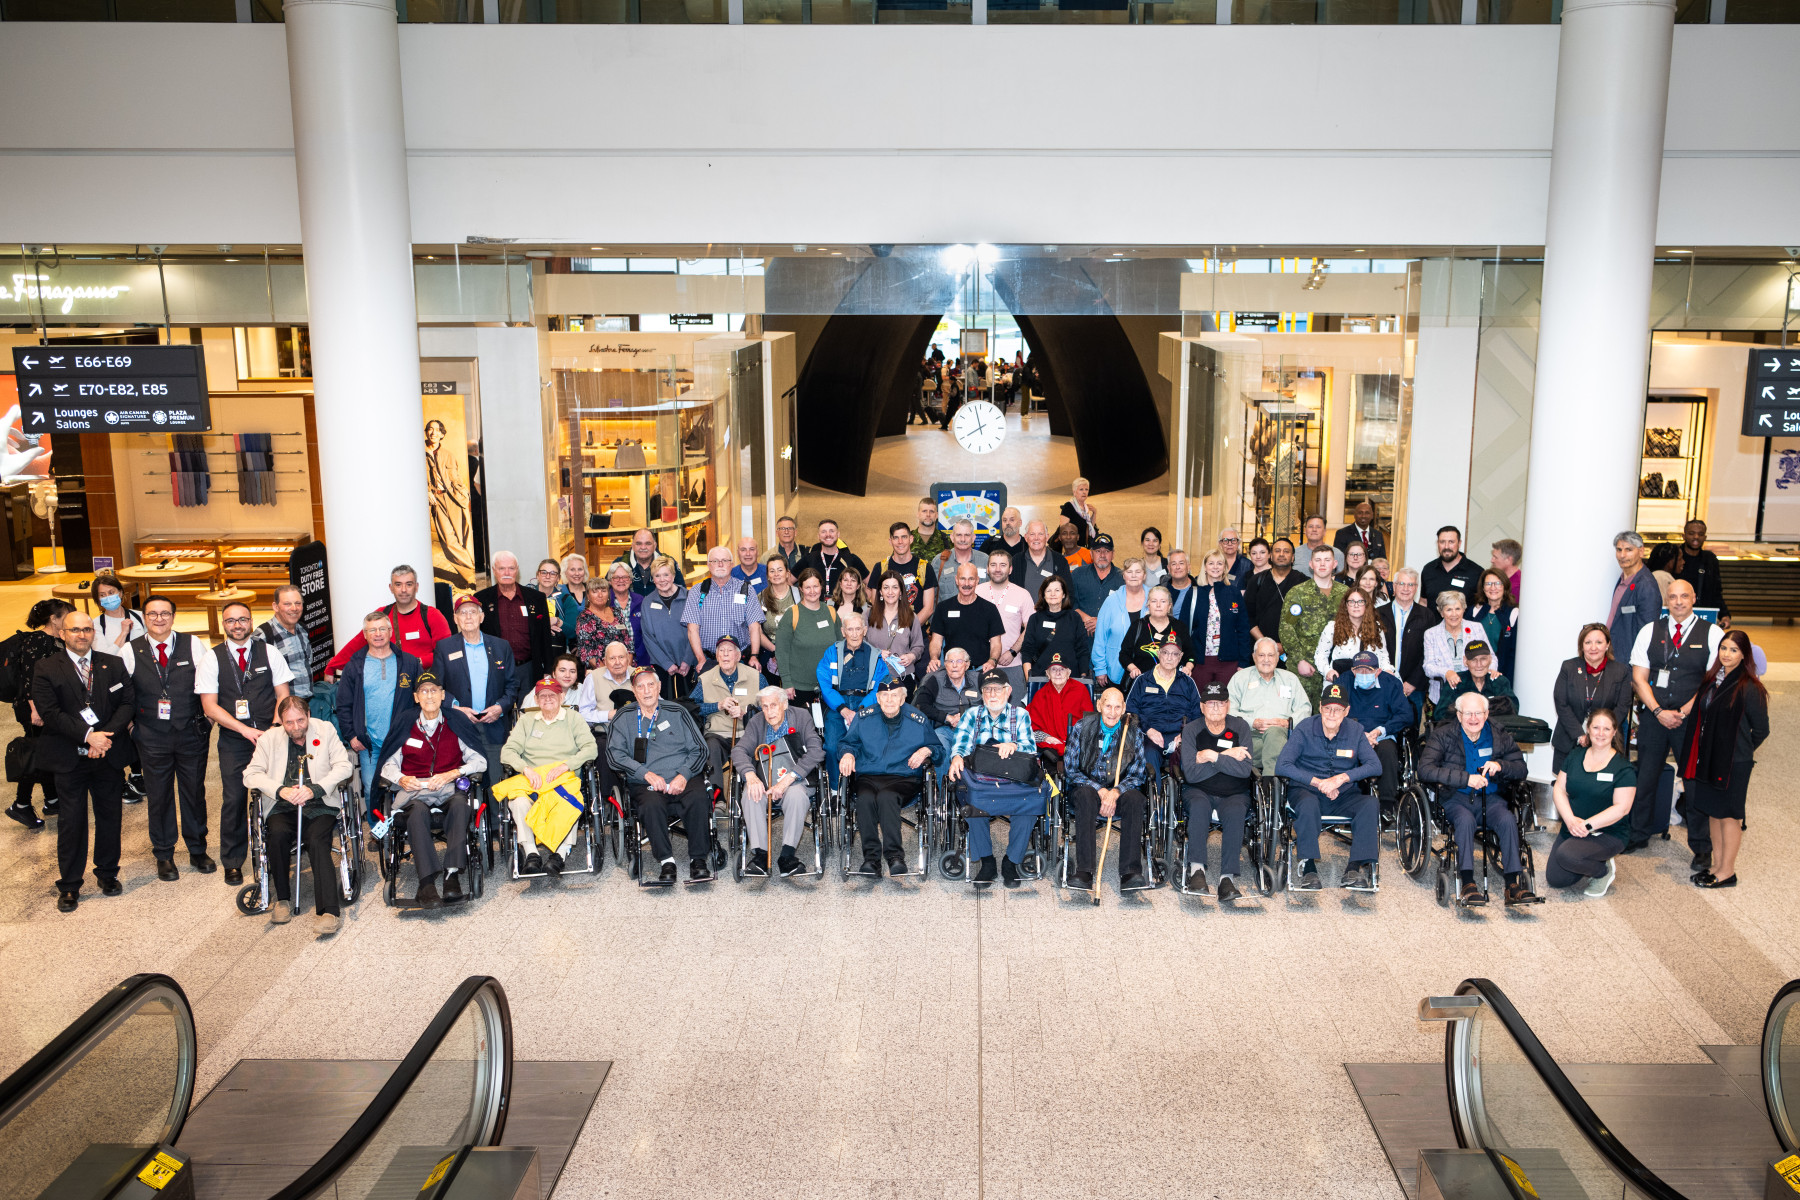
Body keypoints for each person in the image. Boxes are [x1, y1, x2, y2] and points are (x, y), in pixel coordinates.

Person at [34, 612, 135, 913]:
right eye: (74, 629)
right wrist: (88, 736)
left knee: (110, 817)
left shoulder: (112, 663)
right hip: (69, 758)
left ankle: (107, 873)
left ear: (94, 633)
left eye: (87, 629)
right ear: (62, 633)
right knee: (71, 822)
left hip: (108, 755)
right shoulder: (46, 667)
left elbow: (128, 703)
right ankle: (69, 885)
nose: (81, 635)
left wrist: (104, 738)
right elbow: (50, 713)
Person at [198, 601, 294, 885]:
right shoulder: (212, 658)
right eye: (230, 620)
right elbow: (209, 707)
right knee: (234, 799)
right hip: (234, 740)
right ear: (223, 624)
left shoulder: (270, 652)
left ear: (251, 622)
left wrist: (275, 728)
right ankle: (233, 861)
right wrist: (244, 730)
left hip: (272, 737)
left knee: (279, 793)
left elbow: (283, 695)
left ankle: (283, 850)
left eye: (242, 620)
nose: (237, 625)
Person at [1627, 577, 1722, 860]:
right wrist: (1657, 711)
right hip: (1654, 717)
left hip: (1691, 720)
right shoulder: (1649, 630)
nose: (1678, 602)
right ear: (1666, 601)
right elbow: (1639, 677)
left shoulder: (1712, 633)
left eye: (1684, 596)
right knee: (1645, 777)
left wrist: (1682, 712)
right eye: (1672, 597)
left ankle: (1702, 848)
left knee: (1692, 782)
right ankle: (1639, 834)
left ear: (1694, 598)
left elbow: (1712, 681)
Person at [1418, 691, 1539, 907]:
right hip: (1456, 797)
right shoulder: (1443, 735)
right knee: (1465, 821)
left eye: (1478, 713)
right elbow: (1425, 770)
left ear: (1486, 713)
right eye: (1468, 714)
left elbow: (1521, 768)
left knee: (1507, 820)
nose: (1473, 719)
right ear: (1458, 715)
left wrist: (1501, 767)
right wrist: (1466, 779)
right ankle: (1467, 883)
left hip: (1490, 797)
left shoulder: (1499, 735)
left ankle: (1513, 885)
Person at [244, 696, 353, 934]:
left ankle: (329, 911)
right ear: (281, 721)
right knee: (277, 835)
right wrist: (280, 790)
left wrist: (314, 789)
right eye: (289, 722)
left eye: (300, 720)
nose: (296, 727)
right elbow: (250, 774)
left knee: (317, 840)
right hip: (283, 804)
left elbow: (344, 766)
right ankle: (282, 899)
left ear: (308, 714)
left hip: (319, 802)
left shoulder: (325, 730)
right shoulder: (269, 739)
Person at [122, 596, 213, 879]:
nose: (159, 619)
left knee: (194, 793)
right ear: (144, 618)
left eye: (164, 613)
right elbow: (122, 695)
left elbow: (211, 683)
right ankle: (164, 854)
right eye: (152, 614)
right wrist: (131, 728)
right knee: (159, 796)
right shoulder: (130, 650)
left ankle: (198, 849)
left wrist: (208, 720)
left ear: (173, 616)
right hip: (150, 737)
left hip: (190, 734)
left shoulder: (193, 644)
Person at [377, 671, 487, 906]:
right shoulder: (405, 723)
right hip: (415, 792)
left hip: (447, 788)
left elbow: (480, 761)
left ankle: (452, 875)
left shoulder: (456, 722)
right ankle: (426, 883)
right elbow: (387, 765)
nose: (429, 696)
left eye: (434, 690)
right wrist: (403, 778)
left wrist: (453, 773)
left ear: (443, 694)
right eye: (424, 691)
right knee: (416, 812)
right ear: (416, 697)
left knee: (461, 804)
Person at [1677, 629, 1767, 889]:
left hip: (1732, 764)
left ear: (1744, 655)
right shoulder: (1710, 681)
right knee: (1713, 814)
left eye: (1734, 650)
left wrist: (1740, 750)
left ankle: (1727, 872)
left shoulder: (1750, 687)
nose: (1727, 654)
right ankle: (1716, 866)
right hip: (1708, 759)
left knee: (1728, 817)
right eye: (1724, 648)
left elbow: (1761, 730)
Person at [1275, 680, 1380, 891]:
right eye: (1328, 708)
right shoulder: (1305, 728)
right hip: (1307, 791)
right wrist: (1318, 782)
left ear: (1346, 711)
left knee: (1369, 803)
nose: (1332, 714)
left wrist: (1341, 779)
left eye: (1338, 709)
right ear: (1320, 707)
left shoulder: (1356, 730)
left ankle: (1354, 867)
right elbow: (1282, 765)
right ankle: (1309, 868)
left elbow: (1374, 765)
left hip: (1343, 795)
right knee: (1307, 804)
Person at [947, 669, 1046, 888]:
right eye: (987, 689)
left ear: (1008, 691)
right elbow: (960, 743)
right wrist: (956, 757)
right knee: (972, 803)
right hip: (981, 779)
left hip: (1014, 779)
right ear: (981, 693)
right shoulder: (972, 715)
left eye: (997, 689)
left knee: (1029, 806)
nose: (992, 694)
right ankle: (987, 862)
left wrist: (1014, 746)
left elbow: (1031, 748)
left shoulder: (1020, 714)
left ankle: (1011, 861)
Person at [837, 675, 940, 877]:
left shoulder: (917, 719)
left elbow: (938, 749)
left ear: (903, 699)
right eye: (885, 695)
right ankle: (871, 859)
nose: (890, 700)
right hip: (869, 776)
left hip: (903, 777)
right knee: (864, 799)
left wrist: (926, 750)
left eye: (895, 696)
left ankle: (894, 857)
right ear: (878, 697)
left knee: (886, 797)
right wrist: (848, 753)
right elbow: (847, 743)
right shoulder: (864, 717)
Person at [503, 676, 601, 877]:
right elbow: (508, 752)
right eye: (542, 696)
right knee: (519, 802)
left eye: (552, 695)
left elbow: (591, 748)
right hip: (533, 779)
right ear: (537, 700)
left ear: (562, 696)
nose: (548, 699)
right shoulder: (527, 720)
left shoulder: (573, 719)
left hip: (563, 779)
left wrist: (568, 765)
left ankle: (560, 854)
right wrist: (525, 769)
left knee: (569, 803)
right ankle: (531, 853)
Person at [1061, 687, 1152, 892]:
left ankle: (1130, 872)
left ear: (1124, 709)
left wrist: (1115, 791)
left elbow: (1138, 773)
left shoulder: (1134, 733)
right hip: (1087, 788)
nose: (1112, 712)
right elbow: (1070, 768)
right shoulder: (1082, 727)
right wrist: (1101, 791)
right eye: (1108, 706)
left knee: (1136, 799)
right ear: (1099, 705)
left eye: (1117, 707)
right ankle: (1084, 871)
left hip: (1119, 791)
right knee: (1085, 795)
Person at [731, 683, 824, 878]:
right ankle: (760, 857)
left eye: (773, 705)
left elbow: (816, 751)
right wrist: (750, 775)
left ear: (784, 704)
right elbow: (739, 751)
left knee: (797, 796)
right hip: (764, 779)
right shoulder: (756, 722)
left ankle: (787, 857)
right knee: (751, 793)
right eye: (764, 706)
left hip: (795, 779)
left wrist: (787, 780)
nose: (769, 711)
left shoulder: (801, 717)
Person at [1177, 680, 1256, 900]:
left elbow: (1244, 770)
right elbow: (1191, 773)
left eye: (1220, 703)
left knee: (1235, 811)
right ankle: (1197, 871)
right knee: (1199, 807)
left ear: (1228, 705)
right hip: (1198, 790)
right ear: (1201, 707)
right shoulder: (1192, 730)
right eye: (1210, 703)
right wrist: (1229, 756)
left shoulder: (1241, 727)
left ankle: (1227, 879)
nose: (1215, 708)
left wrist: (1211, 756)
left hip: (1235, 792)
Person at [434, 593, 521, 788]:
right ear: (455, 619)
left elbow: (512, 685)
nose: (468, 617)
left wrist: (499, 708)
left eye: (473, 612)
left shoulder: (501, 646)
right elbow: (436, 688)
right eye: (462, 613)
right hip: (458, 726)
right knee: (461, 784)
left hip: (493, 725)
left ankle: (497, 820)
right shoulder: (444, 647)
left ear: (481, 617)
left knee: (496, 784)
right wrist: (456, 707)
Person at [1546, 707, 1635, 897]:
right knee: (1557, 879)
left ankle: (1602, 871)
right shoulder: (1575, 756)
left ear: (1614, 732)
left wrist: (1587, 825)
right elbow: (1559, 789)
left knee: (1567, 855)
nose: (1600, 733)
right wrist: (1570, 820)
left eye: (1606, 729)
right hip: (1573, 826)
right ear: (1588, 729)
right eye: (1596, 728)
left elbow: (1622, 808)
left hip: (1607, 832)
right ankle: (1588, 858)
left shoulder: (1623, 768)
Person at [5, 598, 73, 830]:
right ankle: (21, 804)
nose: (70, 618)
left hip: (48, 705)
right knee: (38, 754)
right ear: (53, 619)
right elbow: (29, 679)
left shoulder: (57, 640)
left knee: (48, 750)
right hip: (34, 708)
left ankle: (52, 800)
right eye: (66, 614)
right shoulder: (37, 641)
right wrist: (36, 710)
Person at [334, 611, 419, 794]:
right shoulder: (354, 665)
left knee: (405, 789)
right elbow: (343, 705)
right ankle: (374, 824)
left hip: (402, 740)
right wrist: (351, 736)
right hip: (369, 744)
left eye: (382, 629)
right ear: (365, 635)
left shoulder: (409, 663)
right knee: (372, 790)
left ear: (390, 632)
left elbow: (422, 700)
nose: (378, 634)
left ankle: (399, 823)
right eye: (372, 630)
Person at [326, 563, 453, 677]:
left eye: (409, 584)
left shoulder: (432, 615)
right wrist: (331, 668)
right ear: (391, 588)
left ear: (416, 587)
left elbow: (446, 652)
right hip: (391, 681)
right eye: (398, 584)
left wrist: (419, 662)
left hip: (424, 681)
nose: (403, 590)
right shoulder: (382, 615)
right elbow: (357, 644)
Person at [817, 612, 892, 785]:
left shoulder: (876, 655)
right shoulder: (832, 652)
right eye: (850, 629)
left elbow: (880, 686)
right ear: (843, 632)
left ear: (865, 630)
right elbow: (825, 683)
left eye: (858, 629)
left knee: (869, 746)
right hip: (837, 704)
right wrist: (843, 709)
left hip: (866, 705)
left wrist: (861, 710)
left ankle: (862, 788)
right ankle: (836, 790)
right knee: (832, 746)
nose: (854, 633)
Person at [1342, 649, 1412, 820]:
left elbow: (1406, 715)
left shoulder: (1391, 684)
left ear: (1378, 671)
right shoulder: (1343, 682)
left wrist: (1380, 731)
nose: (1363, 673)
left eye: (1369, 670)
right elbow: (1334, 712)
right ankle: (1347, 801)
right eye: (1359, 670)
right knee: (1344, 754)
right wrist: (1359, 733)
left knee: (1388, 751)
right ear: (1353, 671)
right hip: (1351, 734)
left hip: (1382, 735)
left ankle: (1387, 805)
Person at [1551, 623, 1635, 762]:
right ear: (1581, 646)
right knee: (1565, 782)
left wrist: (1599, 734)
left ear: (1607, 644)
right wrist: (1580, 735)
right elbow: (1561, 703)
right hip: (1570, 739)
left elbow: (1622, 706)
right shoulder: (1569, 667)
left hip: (1606, 743)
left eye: (1599, 642)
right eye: (1588, 642)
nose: (1593, 647)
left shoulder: (1620, 671)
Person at [1229, 637, 1312, 775]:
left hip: (1284, 736)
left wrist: (1286, 723)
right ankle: (1274, 787)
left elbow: (1305, 709)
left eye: (1271, 655)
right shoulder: (1240, 678)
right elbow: (1228, 710)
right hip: (1249, 738)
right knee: (1278, 749)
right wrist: (1252, 722)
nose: (1266, 660)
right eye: (1261, 655)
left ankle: (1268, 785)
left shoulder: (1290, 679)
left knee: (1274, 733)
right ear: (1254, 657)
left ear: (1278, 657)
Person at [1278, 545, 1348, 709]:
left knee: (1334, 718)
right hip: (1305, 668)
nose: (1322, 564)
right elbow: (1286, 628)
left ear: (1335, 564)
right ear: (1311, 564)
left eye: (1327, 560)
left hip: (1337, 669)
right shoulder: (1298, 593)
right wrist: (1299, 659)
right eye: (1318, 560)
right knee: (1301, 717)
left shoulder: (1346, 594)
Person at [1126, 637, 1202, 773]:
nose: (1169, 658)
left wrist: (1186, 734)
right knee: (1148, 755)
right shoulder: (1142, 681)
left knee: (1189, 757)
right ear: (1158, 653)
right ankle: (1155, 794)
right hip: (1150, 735)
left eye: (1175, 654)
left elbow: (1197, 713)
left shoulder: (1188, 682)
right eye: (1166, 652)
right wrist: (1148, 730)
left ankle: (1185, 794)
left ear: (1181, 657)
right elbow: (1131, 711)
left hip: (1180, 736)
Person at [477, 551, 553, 686]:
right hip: (494, 669)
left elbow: (545, 636)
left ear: (517, 570)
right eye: (501, 568)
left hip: (528, 669)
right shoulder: (481, 599)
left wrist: (547, 669)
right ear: (494, 571)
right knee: (500, 707)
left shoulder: (536, 598)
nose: (507, 572)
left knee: (529, 707)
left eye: (511, 568)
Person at [682, 547, 763, 671]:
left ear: (732, 564)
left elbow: (754, 627)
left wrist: (754, 656)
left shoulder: (746, 590)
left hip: (740, 659)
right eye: (715, 561)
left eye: (724, 560)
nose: (720, 564)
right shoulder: (697, 591)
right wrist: (701, 659)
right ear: (708, 565)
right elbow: (692, 629)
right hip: (708, 661)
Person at [774, 568, 838, 707]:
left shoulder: (831, 612)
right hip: (799, 688)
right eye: (807, 587)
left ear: (821, 586)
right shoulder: (792, 614)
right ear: (801, 589)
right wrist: (787, 683)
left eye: (815, 586)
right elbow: (782, 651)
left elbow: (841, 646)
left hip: (829, 686)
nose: (812, 591)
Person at [1188, 551, 1250, 689]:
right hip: (1200, 662)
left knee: (1227, 704)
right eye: (1211, 563)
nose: (1215, 567)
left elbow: (1243, 629)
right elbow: (1185, 628)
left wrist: (1243, 663)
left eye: (1219, 563)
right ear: (1205, 567)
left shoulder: (1234, 593)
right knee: (1200, 703)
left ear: (1225, 567)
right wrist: (1188, 661)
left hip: (1229, 662)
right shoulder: (1194, 593)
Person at [640, 556, 699, 698]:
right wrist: (666, 664)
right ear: (653, 579)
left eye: (666, 574)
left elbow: (697, 631)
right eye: (657, 576)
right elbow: (648, 638)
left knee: (692, 707)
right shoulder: (647, 603)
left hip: (690, 665)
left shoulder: (690, 597)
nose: (662, 580)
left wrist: (687, 660)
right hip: (663, 668)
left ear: (673, 576)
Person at [916, 647, 981, 775]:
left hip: (975, 729)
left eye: (959, 661)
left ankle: (976, 786)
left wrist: (971, 718)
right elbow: (921, 704)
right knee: (940, 747)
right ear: (945, 665)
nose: (954, 665)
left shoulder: (978, 679)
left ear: (967, 665)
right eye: (950, 661)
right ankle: (945, 789)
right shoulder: (935, 680)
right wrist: (947, 718)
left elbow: (992, 702)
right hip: (946, 729)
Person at [930, 564, 1004, 676]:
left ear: (977, 581)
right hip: (951, 672)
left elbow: (996, 643)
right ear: (956, 580)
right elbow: (936, 641)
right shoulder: (943, 607)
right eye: (963, 579)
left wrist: (992, 661)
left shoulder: (989, 609)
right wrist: (934, 658)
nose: (966, 584)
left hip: (980, 671)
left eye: (971, 579)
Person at [1377, 567, 1431, 718]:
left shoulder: (1427, 616)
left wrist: (1412, 682)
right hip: (1383, 684)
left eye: (1411, 585)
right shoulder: (1379, 613)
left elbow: (1429, 653)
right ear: (1394, 587)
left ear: (1416, 588)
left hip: (1414, 688)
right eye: (1401, 584)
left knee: (1411, 733)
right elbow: (1373, 649)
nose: (1406, 589)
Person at [978, 551, 1036, 685]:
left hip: (1012, 665)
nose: (997, 569)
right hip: (980, 666)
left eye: (1003, 565)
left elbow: (1031, 627)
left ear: (1010, 569)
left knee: (1015, 705)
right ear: (987, 569)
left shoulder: (1022, 594)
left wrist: (1013, 652)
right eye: (993, 565)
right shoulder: (976, 592)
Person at [1091, 557, 1150, 687]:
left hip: (1149, 670)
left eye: (1138, 571)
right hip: (1116, 670)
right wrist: (1100, 668)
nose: (1133, 575)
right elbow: (1100, 638)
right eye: (1129, 572)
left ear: (1144, 575)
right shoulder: (1111, 601)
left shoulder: (1154, 599)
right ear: (1123, 575)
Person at [1025, 652, 1093, 761]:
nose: (1058, 673)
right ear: (1048, 674)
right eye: (1053, 669)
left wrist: (1074, 741)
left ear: (1068, 672)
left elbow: (1090, 723)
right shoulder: (1040, 695)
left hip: (1077, 744)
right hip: (1049, 746)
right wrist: (1047, 738)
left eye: (1062, 669)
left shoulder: (1080, 690)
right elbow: (1031, 728)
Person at [255, 585, 313, 711]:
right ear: (275, 606)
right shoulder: (263, 635)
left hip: (306, 704)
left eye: (298, 603)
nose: (294, 608)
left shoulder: (303, 630)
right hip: (280, 708)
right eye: (287, 604)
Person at [1315, 589, 1391, 682]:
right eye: (1351, 601)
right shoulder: (1333, 627)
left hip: (1368, 683)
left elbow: (1383, 656)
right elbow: (1320, 655)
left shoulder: (1376, 628)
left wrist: (1388, 670)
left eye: (1360, 601)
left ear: (1366, 605)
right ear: (1346, 605)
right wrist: (1327, 671)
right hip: (1339, 681)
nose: (1356, 605)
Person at [1020, 576, 1091, 676]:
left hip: (1070, 678)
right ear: (1043, 595)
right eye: (1048, 590)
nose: (1053, 594)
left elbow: (1082, 650)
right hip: (1041, 678)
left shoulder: (1074, 618)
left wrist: (1083, 677)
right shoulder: (1035, 619)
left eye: (1057, 590)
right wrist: (1029, 679)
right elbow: (1027, 651)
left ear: (1064, 594)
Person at [1422, 589, 1482, 706]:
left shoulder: (1476, 628)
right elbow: (1428, 667)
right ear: (1441, 612)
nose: (1454, 614)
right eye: (1449, 609)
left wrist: (1490, 671)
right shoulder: (1431, 634)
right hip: (1443, 695)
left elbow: (1491, 658)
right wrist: (1446, 672)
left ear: (1464, 610)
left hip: (1473, 692)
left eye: (1458, 609)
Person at [1119, 585, 1192, 680]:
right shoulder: (1137, 626)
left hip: (1173, 684)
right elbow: (1124, 654)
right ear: (1148, 605)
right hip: (1142, 682)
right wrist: (1133, 668)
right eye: (1154, 601)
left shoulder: (1180, 627)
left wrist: (1188, 668)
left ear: (1169, 606)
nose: (1158, 605)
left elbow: (1190, 655)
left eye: (1163, 601)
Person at [872, 521, 938, 624]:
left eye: (904, 537)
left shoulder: (925, 568)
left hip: (917, 633)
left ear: (911, 539)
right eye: (896, 538)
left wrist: (909, 630)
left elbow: (929, 609)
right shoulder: (880, 568)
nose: (900, 542)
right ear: (890, 541)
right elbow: (875, 604)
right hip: (887, 633)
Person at [1609, 530, 1662, 658]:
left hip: (1629, 661)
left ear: (1641, 551)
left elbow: (1647, 632)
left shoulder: (1646, 585)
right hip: (1613, 655)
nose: (1622, 555)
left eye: (1629, 550)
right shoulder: (1622, 579)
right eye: (1619, 550)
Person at [865, 573, 926, 679]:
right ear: (880, 591)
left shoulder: (911, 617)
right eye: (886, 587)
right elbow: (860, 643)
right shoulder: (868, 614)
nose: (890, 592)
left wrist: (911, 656)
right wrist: (876, 653)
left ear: (901, 592)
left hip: (903, 676)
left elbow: (918, 646)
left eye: (895, 587)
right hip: (873, 675)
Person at [1440, 641, 1516, 723]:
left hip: (1495, 731)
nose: (1479, 664)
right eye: (1473, 660)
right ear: (1465, 661)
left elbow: (1514, 709)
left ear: (1490, 659)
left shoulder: (1500, 682)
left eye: (1483, 659)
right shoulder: (1456, 682)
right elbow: (1440, 714)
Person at [1245, 537, 1301, 644]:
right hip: (1260, 647)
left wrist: (1285, 646)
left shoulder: (1303, 582)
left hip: (1293, 650)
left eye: (1286, 551)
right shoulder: (1256, 580)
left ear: (1293, 557)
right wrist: (1263, 642)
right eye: (1277, 551)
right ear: (1271, 556)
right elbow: (1247, 615)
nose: (1281, 554)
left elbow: (1307, 620)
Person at [1068, 532, 1121, 641]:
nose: (1102, 555)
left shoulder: (1122, 578)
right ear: (1091, 554)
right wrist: (1085, 618)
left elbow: (1125, 609)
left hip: (1111, 640)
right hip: (1081, 639)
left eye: (1106, 551)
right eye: (1098, 551)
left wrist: (1102, 622)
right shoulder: (1078, 574)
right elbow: (1069, 603)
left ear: (1113, 554)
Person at [575, 577, 635, 670]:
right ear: (588, 595)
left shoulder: (617, 612)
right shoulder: (584, 618)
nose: (600, 595)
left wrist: (626, 669)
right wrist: (610, 674)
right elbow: (588, 655)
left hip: (625, 670)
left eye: (603, 591)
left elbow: (628, 644)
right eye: (595, 591)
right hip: (601, 673)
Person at [1468, 568, 1519, 679]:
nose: (1493, 588)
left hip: (1502, 673)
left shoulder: (1514, 614)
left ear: (1504, 586)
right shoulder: (1473, 612)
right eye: (1488, 584)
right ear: (1483, 588)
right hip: (1474, 673)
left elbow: (1513, 652)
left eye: (1497, 583)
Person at [758, 555, 800, 683]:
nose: (776, 574)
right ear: (768, 576)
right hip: (770, 654)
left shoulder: (800, 595)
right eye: (772, 571)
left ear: (787, 573)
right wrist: (775, 650)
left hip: (798, 655)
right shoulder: (761, 598)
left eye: (780, 570)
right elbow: (757, 632)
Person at [801, 519, 867, 594]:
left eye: (832, 531)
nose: (828, 534)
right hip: (816, 605)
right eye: (823, 532)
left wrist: (861, 602)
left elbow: (871, 584)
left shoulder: (851, 559)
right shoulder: (809, 558)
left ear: (838, 534)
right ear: (818, 536)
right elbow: (789, 581)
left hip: (842, 605)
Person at [88, 573, 145, 658]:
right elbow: (103, 658)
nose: (108, 597)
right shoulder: (96, 624)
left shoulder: (140, 616)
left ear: (120, 593)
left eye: (111, 592)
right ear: (98, 599)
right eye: (102, 595)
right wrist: (123, 633)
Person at [1420, 526, 1476, 609]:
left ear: (1459, 543)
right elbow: (1423, 602)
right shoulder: (1428, 569)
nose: (1446, 547)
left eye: (1451, 542)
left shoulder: (1476, 572)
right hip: (1433, 622)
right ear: (1437, 543)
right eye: (1442, 542)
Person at [932, 520, 990, 602]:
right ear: (952, 538)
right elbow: (931, 598)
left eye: (967, 535)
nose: (963, 539)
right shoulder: (939, 562)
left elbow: (992, 592)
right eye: (959, 535)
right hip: (946, 613)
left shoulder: (985, 560)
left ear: (973, 538)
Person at [600, 561, 646, 662]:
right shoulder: (602, 603)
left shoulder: (641, 601)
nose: (621, 581)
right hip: (611, 662)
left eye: (625, 577)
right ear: (610, 581)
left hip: (640, 660)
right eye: (616, 577)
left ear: (630, 580)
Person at [1015, 520, 1069, 600]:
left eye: (1040, 534)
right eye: (1032, 534)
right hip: (1025, 612)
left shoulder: (1060, 561)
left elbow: (1068, 592)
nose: (1036, 538)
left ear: (1047, 537)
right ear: (1026, 538)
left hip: (1052, 612)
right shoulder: (1016, 561)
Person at [551, 553, 591, 652]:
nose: (577, 573)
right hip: (566, 646)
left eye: (580, 569)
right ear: (565, 572)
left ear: (585, 571)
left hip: (591, 644)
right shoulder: (558, 593)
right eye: (572, 569)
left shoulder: (592, 590)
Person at [1333, 500, 1386, 566]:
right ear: (1354, 515)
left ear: (1372, 515)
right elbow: (1339, 559)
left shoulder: (1378, 535)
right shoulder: (1342, 534)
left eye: (1367, 513)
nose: (1363, 516)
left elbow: (1382, 560)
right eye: (1360, 513)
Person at [981, 506, 1026, 570]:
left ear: (1020, 523)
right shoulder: (990, 543)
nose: (1007, 523)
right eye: (1004, 520)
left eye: (1012, 520)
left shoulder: (1027, 545)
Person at [617, 527, 660, 595]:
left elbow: (680, 592)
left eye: (648, 543)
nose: (643, 547)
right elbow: (608, 591)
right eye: (638, 543)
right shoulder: (619, 563)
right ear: (632, 546)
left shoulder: (668, 563)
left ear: (655, 546)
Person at [912, 496, 953, 562]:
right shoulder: (907, 539)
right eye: (924, 511)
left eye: (931, 511)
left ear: (936, 515)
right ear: (918, 514)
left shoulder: (946, 541)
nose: (928, 514)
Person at [1061, 476, 1099, 546]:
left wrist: (1094, 513)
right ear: (1074, 492)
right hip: (1072, 547)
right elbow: (1063, 530)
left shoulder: (1086, 507)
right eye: (1081, 489)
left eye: (1086, 489)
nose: (1084, 492)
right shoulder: (1068, 506)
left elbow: (1090, 527)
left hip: (1084, 546)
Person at [1490, 538, 1522, 605]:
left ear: (1509, 559)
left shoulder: (1519, 585)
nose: (1492, 560)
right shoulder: (1494, 578)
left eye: (1495, 557)